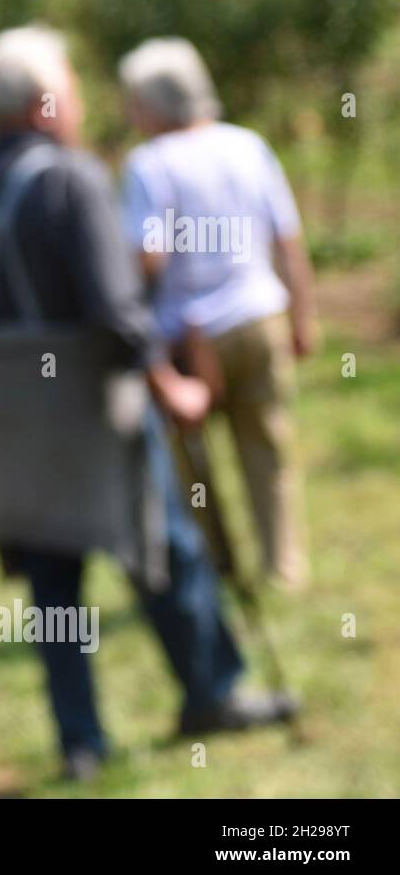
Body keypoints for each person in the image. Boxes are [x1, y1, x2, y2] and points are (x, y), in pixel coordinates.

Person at [0, 25, 297, 780]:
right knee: (164, 551)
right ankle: (212, 692)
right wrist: (175, 389)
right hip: (95, 409)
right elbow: (119, 319)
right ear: (44, 102)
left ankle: (80, 742)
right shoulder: (74, 180)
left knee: (54, 584)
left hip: (12, 424)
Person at [119, 37, 316, 591]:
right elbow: (287, 238)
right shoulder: (248, 145)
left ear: (153, 104)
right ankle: (284, 567)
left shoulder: (147, 166)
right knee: (268, 445)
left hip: (189, 335)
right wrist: (304, 316)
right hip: (258, 318)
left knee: (192, 464)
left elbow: (147, 257)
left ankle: (217, 565)